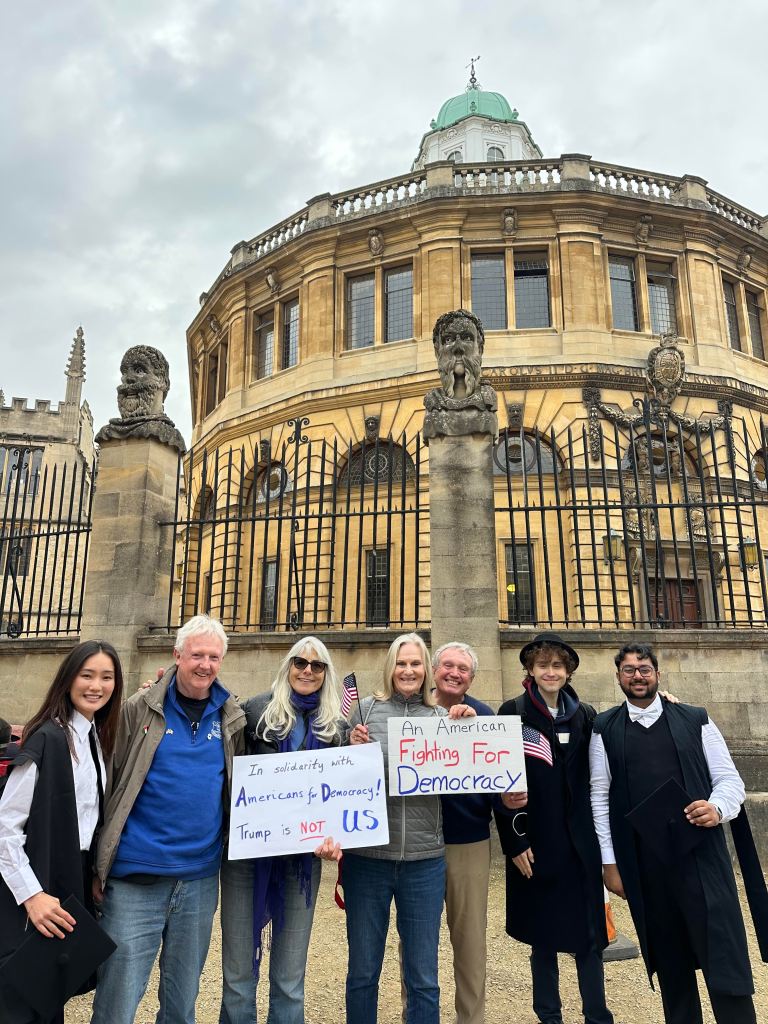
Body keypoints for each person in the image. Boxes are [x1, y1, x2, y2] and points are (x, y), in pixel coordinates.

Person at [589, 642, 757, 1024]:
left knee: (723, 954)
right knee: (671, 964)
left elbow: (729, 779)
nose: (637, 676)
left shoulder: (695, 718)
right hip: (647, 865)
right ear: (618, 676)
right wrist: (609, 864)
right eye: (629, 670)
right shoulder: (604, 728)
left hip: (703, 858)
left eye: (644, 669)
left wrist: (716, 808)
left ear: (658, 674)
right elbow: (598, 796)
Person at [91, 614, 246, 1024]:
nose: (205, 665)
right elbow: (108, 782)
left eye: (214, 657)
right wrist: (97, 863)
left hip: (198, 880)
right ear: (177, 655)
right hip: (135, 878)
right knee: (117, 1001)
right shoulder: (138, 708)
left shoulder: (232, 716)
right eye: (197, 655)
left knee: (181, 1002)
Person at [344, 633, 476, 1024]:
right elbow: (341, 779)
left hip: (424, 861)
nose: (408, 670)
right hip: (368, 858)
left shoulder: (442, 719)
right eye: (401, 663)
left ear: (426, 670)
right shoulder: (364, 711)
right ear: (390, 667)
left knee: (423, 977)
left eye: (415, 663)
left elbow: (467, 774)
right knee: (363, 972)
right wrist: (350, 747)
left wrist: (467, 731)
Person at [219, 636, 345, 1024]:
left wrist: (336, 838)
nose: (307, 670)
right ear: (287, 666)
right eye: (299, 662)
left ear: (326, 673)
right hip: (248, 858)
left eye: (317, 665)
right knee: (238, 976)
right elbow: (223, 760)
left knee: (290, 980)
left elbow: (345, 794)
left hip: (302, 863)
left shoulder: (335, 727)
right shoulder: (255, 711)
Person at [0, 640, 123, 1024]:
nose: (96, 686)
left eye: (106, 677)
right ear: (68, 678)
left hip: (71, 878)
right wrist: (32, 896)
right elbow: (5, 829)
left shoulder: (94, 738)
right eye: (87, 675)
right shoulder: (47, 738)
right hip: (34, 884)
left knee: (49, 997)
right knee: (19, 1000)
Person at [495, 632, 614, 1024]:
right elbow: (499, 784)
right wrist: (514, 842)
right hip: (537, 841)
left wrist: (665, 702)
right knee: (543, 939)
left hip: (580, 844)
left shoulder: (587, 714)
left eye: (558, 665)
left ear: (568, 672)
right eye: (543, 664)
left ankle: (597, 1015)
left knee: (590, 937)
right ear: (530, 669)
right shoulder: (512, 712)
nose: (551, 671)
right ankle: (549, 1016)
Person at [431, 641, 495, 1024]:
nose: (454, 673)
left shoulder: (484, 715)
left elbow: (499, 780)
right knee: (417, 940)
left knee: (470, 938)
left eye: (463, 669)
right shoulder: (413, 712)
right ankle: (417, 1015)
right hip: (418, 843)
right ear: (434, 670)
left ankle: (471, 1018)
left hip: (468, 840)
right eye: (448, 665)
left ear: (471, 678)